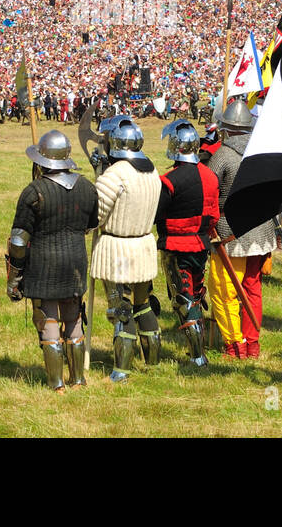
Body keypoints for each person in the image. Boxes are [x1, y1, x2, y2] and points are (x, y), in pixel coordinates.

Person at [5, 130, 99, 392]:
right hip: (76, 262)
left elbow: (19, 241)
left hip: (44, 266)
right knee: (73, 319)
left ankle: (57, 383)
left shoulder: (34, 191)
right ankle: (77, 380)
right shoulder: (86, 187)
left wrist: (14, 278)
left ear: (42, 160)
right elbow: (91, 224)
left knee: (47, 320)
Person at [90, 120, 161, 382]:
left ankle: (121, 369)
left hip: (118, 249)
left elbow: (95, 216)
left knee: (121, 308)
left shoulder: (115, 175)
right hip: (142, 244)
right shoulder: (151, 170)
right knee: (143, 305)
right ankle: (152, 361)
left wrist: (99, 177)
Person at [209, 98, 272, 359]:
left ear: (226, 127)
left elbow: (209, 191)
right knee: (252, 288)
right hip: (260, 229)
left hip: (231, 232)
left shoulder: (223, 154)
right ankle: (253, 344)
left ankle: (236, 347)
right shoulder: (264, 152)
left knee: (226, 290)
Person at [155, 120, 220, 367]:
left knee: (185, 300)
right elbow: (214, 214)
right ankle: (197, 351)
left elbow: (157, 214)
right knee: (194, 294)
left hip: (176, 246)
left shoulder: (170, 180)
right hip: (201, 244)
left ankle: (197, 356)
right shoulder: (210, 176)